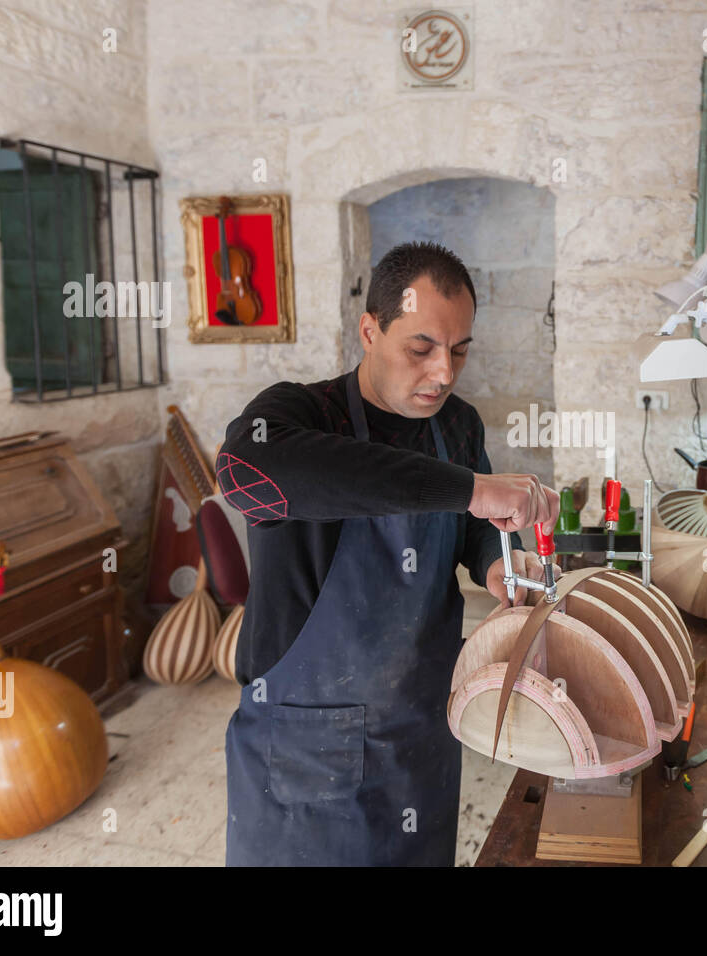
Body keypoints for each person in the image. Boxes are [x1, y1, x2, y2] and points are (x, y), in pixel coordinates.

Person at [218, 241, 559, 866]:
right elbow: (240, 474)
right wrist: (474, 488)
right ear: (369, 330)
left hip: (419, 733)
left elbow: (471, 529)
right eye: (421, 348)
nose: (444, 373)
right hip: (304, 752)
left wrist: (499, 563)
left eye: (459, 351)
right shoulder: (299, 417)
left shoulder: (457, 427)